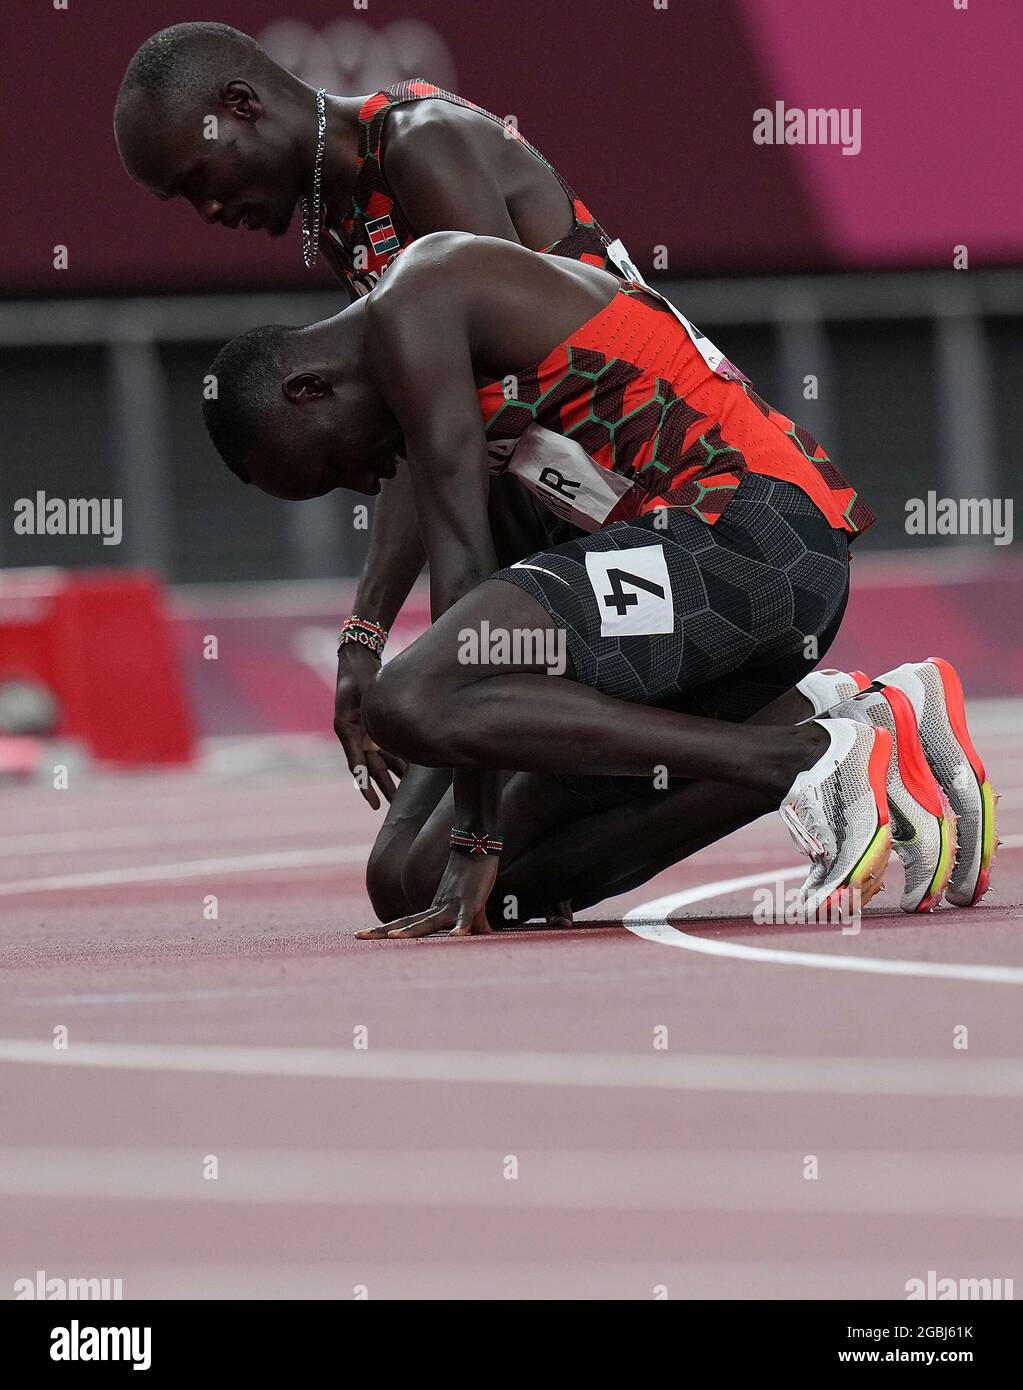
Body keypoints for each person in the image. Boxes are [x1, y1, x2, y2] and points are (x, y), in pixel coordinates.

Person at [202, 232, 995, 934]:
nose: (368, 483)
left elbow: (465, 575)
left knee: (411, 701)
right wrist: (477, 840)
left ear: (308, 389)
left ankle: (803, 757)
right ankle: (851, 718)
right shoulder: (434, 369)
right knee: (412, 879)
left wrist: (474, 831)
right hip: (696, 577)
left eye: (336, 468)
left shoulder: (421, 292)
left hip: (748, 530)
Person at [115, 21, 654, 920]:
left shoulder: (421, 148)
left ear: (240, 108)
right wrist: (362, 637)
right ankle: (695, 753)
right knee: (398, 874)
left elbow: (474, 444)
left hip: (652, 509)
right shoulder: (338, 218)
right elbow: (428, 432)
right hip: (549, 529)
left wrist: (475, 809)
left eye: (197, 182)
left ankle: (801, 741)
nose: (209, 214)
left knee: (453, 837)